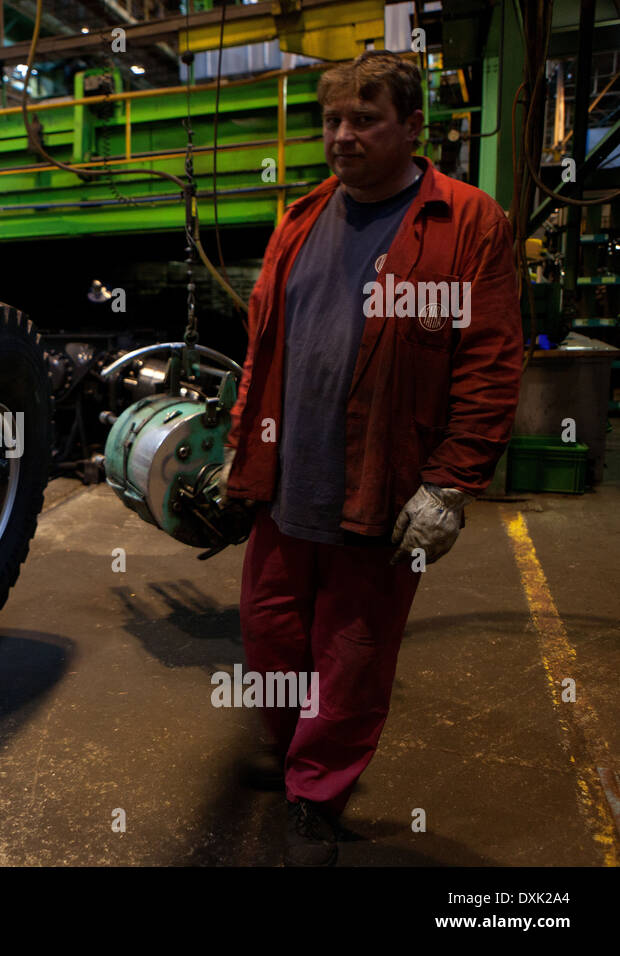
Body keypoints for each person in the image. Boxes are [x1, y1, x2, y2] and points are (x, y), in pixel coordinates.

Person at [218, 50, 523, 865]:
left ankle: (317, 792)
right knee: (271, 637)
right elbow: (263, 349)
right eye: (332, 121)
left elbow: (491, 360)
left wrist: (451, 485)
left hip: (378, 492)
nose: (343, 137)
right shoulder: (302, 216)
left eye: (365, 120)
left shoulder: (466, 223)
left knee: (351, 656)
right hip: (285, 484)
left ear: (414, 126)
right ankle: (294, 754)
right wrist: (242, 439)